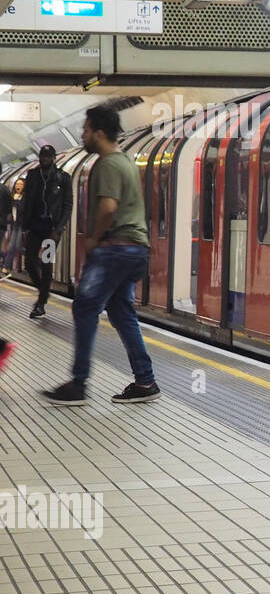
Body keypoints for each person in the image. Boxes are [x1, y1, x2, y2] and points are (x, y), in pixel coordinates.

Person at [43, 104, 159, 406]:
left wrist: (93, 238)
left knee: (85, 307)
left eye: (86, 129)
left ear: (100, 132)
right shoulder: (126, 162)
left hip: (115, 248)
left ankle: (78, 384)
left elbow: (108, 207)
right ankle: (145, 381)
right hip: (136, 249)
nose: (83, 134)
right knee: (121, 312)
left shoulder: (108, 164)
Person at [21, 143, 72, 318]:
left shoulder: (63, 178)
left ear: (53, 158)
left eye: (49, 156)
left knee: (46, 263)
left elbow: (67, 206)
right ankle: (43, 291)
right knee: (29, 262)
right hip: (35, 227)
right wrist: (24, 227)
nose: (45, 159)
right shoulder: (33, 176)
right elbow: (26, 202)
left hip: (52, 229)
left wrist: (59, 228)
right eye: (43, 156)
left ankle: (41, 304)